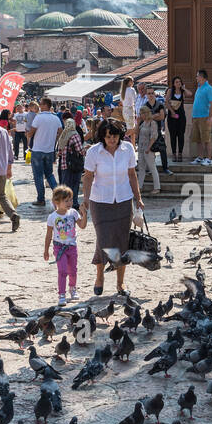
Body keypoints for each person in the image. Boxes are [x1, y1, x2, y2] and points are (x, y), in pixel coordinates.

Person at [82, 119, 144, 297]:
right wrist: (85, 199)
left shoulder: (128, 149)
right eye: (108, 136)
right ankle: (99, 276)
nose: (112, 140)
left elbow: (132, 174)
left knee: (121, 241)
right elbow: (88, 177)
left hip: (123, 200)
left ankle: (120, 283)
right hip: (100, 201)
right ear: (103, 136)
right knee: (103, 240)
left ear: (120, 135)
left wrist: (138, 198)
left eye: (115, 136)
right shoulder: (94, 152)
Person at [44, 184, 87, 305]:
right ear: (56, 202)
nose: (69, 203)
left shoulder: (73, 213)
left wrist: (84, 214)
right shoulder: (52, 217)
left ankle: (72, 288)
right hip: (59, 248)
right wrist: (46, 250)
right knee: (62, 271)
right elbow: (48, 235)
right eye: (66, 200)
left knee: (73, 270)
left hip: (72, 247)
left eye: (71, 200)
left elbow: (82, 226)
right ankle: (61, 294)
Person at [27, 97, 63, 207]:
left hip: (38, 150)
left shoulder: (39, 117)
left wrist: (28, 135)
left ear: (45, 105)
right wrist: (54, 140)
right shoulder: (55, 118)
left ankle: (41, 199)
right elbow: (61, 132)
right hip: (49, 150)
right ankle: (60, 195)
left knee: (38, 176)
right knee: (49, 174)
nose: (40, 106)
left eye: (41, 104)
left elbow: (31, 133)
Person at [56, 116, 86, 209]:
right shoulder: (74, 135)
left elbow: (59, 151)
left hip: (64, 164)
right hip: (74, 165)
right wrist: (86, 150)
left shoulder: (63, 135)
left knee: (65, 186)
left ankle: (63, 204)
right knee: (75, 185)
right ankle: (74, 203)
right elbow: (80, 150)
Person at [136, 94, 162, 195]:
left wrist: (149, 147)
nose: (140, 115)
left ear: (145, 113)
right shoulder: (143, 123)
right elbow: (136, 133)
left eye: (141, 113)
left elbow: (154, 136)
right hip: (141, 147)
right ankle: (140, 186)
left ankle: (157, 187)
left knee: (152, 167)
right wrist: (137, 123)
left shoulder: (152, 123)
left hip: (148, 148)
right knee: (141, 168)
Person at [190, 70, 212, 165]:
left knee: (206, 139)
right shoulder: (199, 87)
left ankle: (209, 159)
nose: (196, 78)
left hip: (205, 117)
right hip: (196, 117)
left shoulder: (209, 89)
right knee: (198, 139)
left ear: (202, 77)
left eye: (197, 76)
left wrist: (210, 117)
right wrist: (193, 116)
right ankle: (200, 157)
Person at [165, 77, 188, 162]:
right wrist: (172, 112)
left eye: (179, 82)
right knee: (173, 135)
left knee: (181, 135)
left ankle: (180, 154)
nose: (178, 83)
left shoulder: (182, 92)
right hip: (172, 116)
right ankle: (174, 154)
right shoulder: (170, 91)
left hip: (181, 116)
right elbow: (166, 102)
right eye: (176, 82)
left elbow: (190, 94)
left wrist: (184, 88)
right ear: (173, 83)